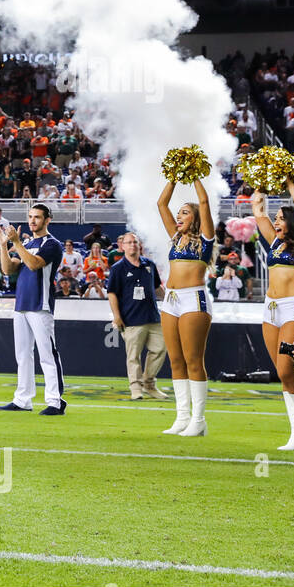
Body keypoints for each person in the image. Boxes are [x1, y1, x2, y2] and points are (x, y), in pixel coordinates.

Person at [252, 182, 294, 451]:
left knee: (288, 369)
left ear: (291, 222)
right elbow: (258, 210)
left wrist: (288, 181)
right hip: (270, 309)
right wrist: (262, 182)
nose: (275, 221)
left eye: (280, 218)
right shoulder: (275, 243)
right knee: (283, 375)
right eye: (275, 218)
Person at [155, 178, 215, 436]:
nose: (179, 216)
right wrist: (174, 177)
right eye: (179, 213)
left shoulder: (205, 239)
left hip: (194, 299)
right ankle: (182, 417)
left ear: (196, 218)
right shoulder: (175, 238)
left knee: (193, 360)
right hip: (171, 300)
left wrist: (194, 175)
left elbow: (204, 201)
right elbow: (161, 203)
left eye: (185, 213)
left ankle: (198, 420)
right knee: (175, 360)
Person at [0, 204, 66, 414]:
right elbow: (8, 269)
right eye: (30, 217)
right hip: (22, 305)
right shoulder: (26, 242)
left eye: (37, 217)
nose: (32, 221)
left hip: (40, 304)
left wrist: (16, 243)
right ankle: (23, 399)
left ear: (47, 220)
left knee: (47, 354)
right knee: (23, 355)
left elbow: (35, 264)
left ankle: (55, 401)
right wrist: (3, 245)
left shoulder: (52, 244)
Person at [106, 232, 167, 400]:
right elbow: (111, 294)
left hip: (153, 317)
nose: (133, 245)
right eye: (129, 242)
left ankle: (149, 384)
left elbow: (157, 288)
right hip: (131, 319)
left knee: (160, 349)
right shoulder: (118, 268)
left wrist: (169, 301)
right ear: (122, 246)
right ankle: (135, 388)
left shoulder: (150, 265)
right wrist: (117, 316)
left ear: (140, 245)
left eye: (135, 242)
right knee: (133, 356)